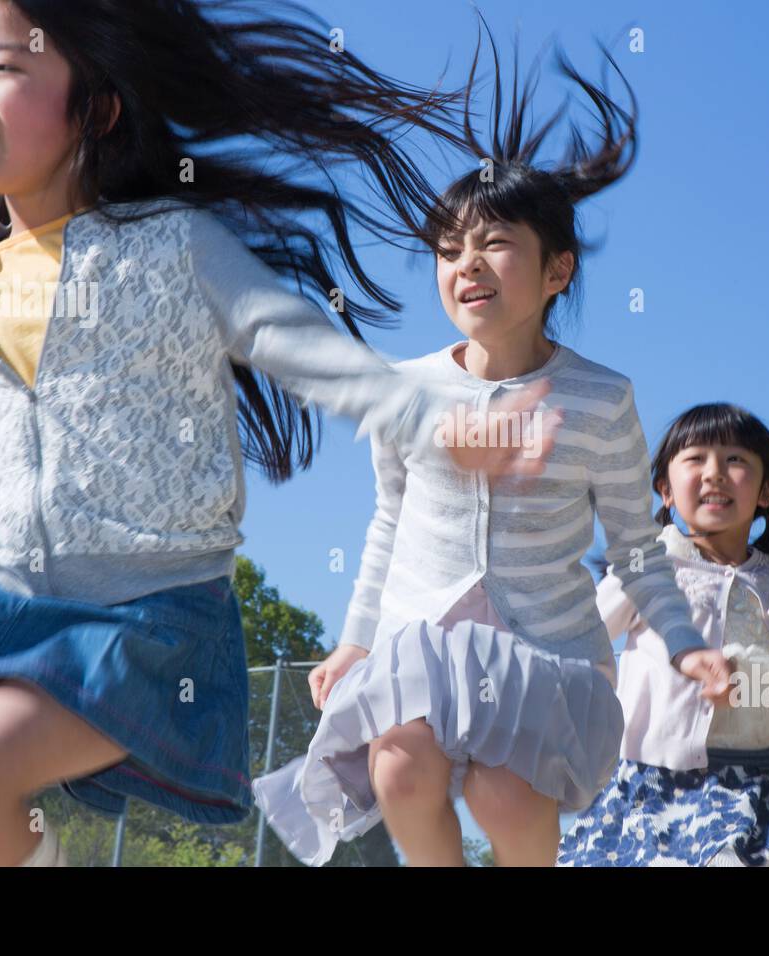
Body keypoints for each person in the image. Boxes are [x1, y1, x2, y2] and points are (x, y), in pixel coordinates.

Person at [0, 0, 546, 867]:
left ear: (95, 110)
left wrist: (434, 420)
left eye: (6, 67)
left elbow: (294, 339)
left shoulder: (171, 246)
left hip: (147, 624)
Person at [253, 29, 730, 867]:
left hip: (545, 653)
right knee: (401, 767)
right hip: (418, 640)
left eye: (494, 243)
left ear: (557, 272)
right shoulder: (403, 389)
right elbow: (387, 522)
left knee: (505, 797)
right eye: (447, 251)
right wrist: (355, 642)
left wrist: (685, 642)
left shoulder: (601, 397)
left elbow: (635, 546)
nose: (465, 264)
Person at [558, 403, 769, 866]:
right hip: (666, 785)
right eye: (695, 459)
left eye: (736, 460)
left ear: (767, 491)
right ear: (665, 490)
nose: (715, 473)